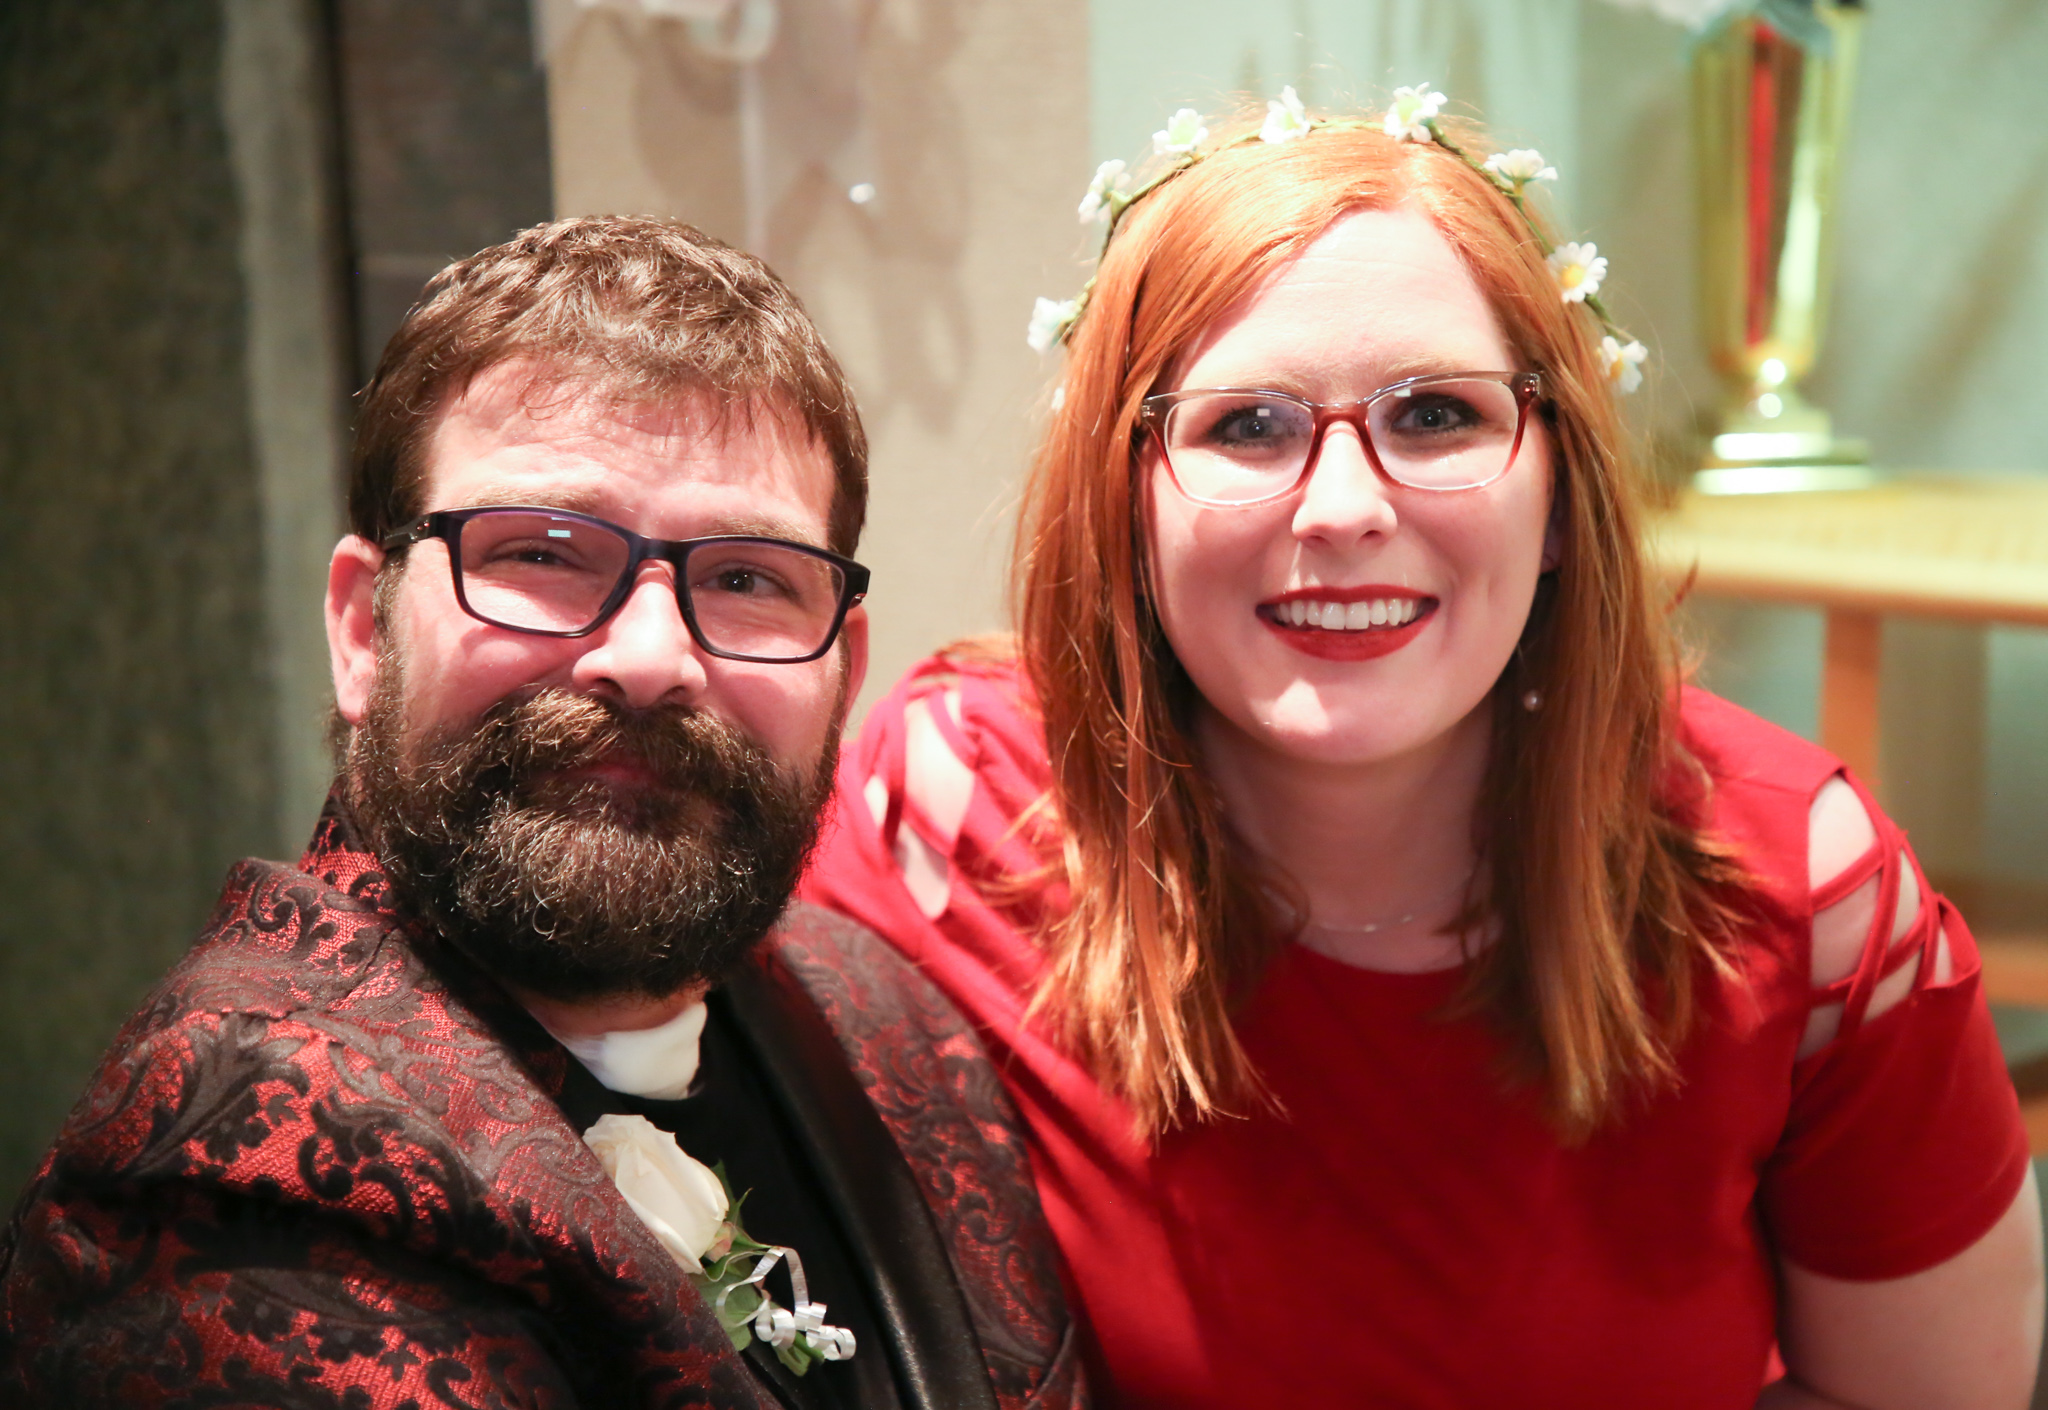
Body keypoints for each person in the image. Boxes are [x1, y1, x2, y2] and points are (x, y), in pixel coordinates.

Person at [802, 99, 2044, 1408]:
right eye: (1248, 426)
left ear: (1560, 495)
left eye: (1439, 414)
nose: (1344, 507)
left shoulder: (1809, 888)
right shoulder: (949, 803)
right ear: (1126, 501)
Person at [0, 217, 1083, 1410]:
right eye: (541, 552)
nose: (650, 656)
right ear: (364, 629)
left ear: (843, 667)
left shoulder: (891, 1021)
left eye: (744, 579)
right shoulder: (228, 1181)